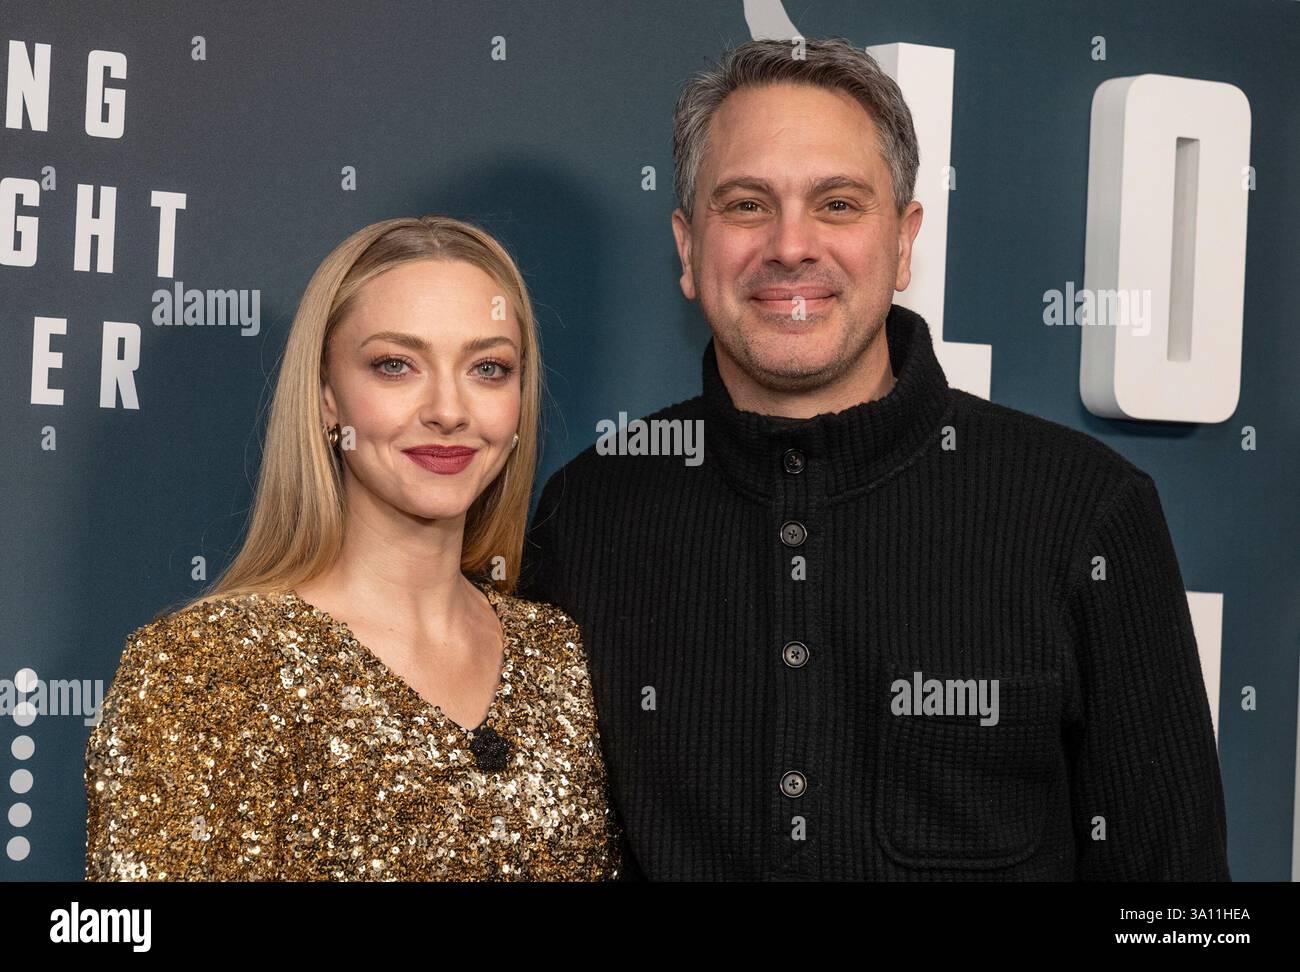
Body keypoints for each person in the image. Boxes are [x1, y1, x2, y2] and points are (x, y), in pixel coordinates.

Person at [518, 37, 1230, 880]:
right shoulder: (586, 515)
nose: (790, 245)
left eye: (839, 205)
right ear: (686, 247)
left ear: (903, 241)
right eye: (746, 204)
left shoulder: (1084, 511)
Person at [85, 215, 621, 881]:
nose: (449, 409)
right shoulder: (203, 668)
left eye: (488, 368)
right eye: (396, 365)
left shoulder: (563, 656)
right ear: (327, 396)